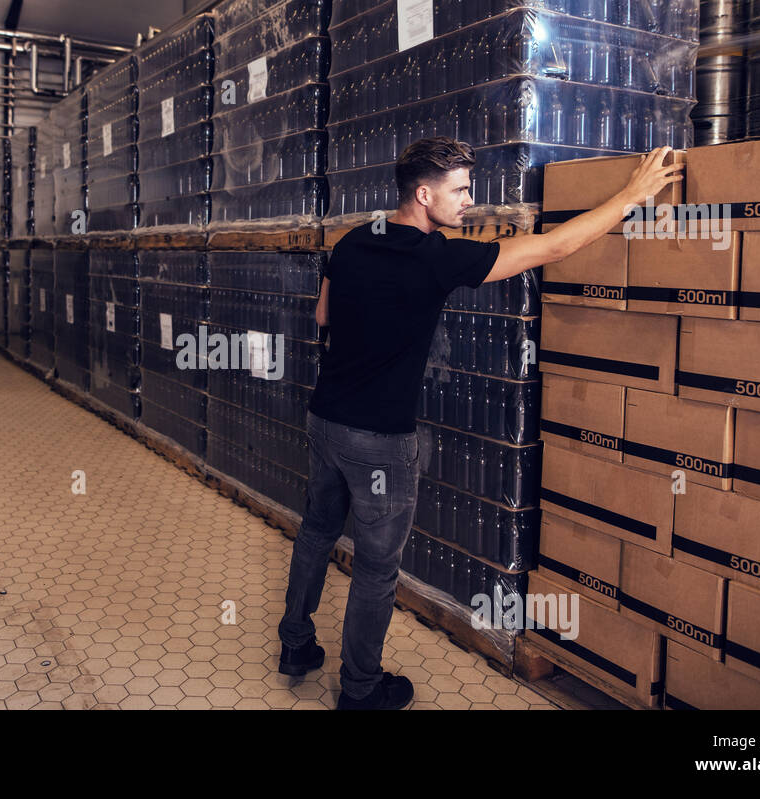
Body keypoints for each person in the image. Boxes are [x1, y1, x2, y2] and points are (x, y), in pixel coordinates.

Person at [276, 137, 683, 710]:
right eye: (461, 189)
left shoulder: (353, 242)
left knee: (317, 530)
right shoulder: (438, 257)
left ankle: (296, 645)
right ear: (424, 194)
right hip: (382, 443)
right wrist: (630, 195)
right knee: (375, 570)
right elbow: (554, 247)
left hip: (326, 419)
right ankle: (361, 691)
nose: (471, 200)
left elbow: (323, 315)